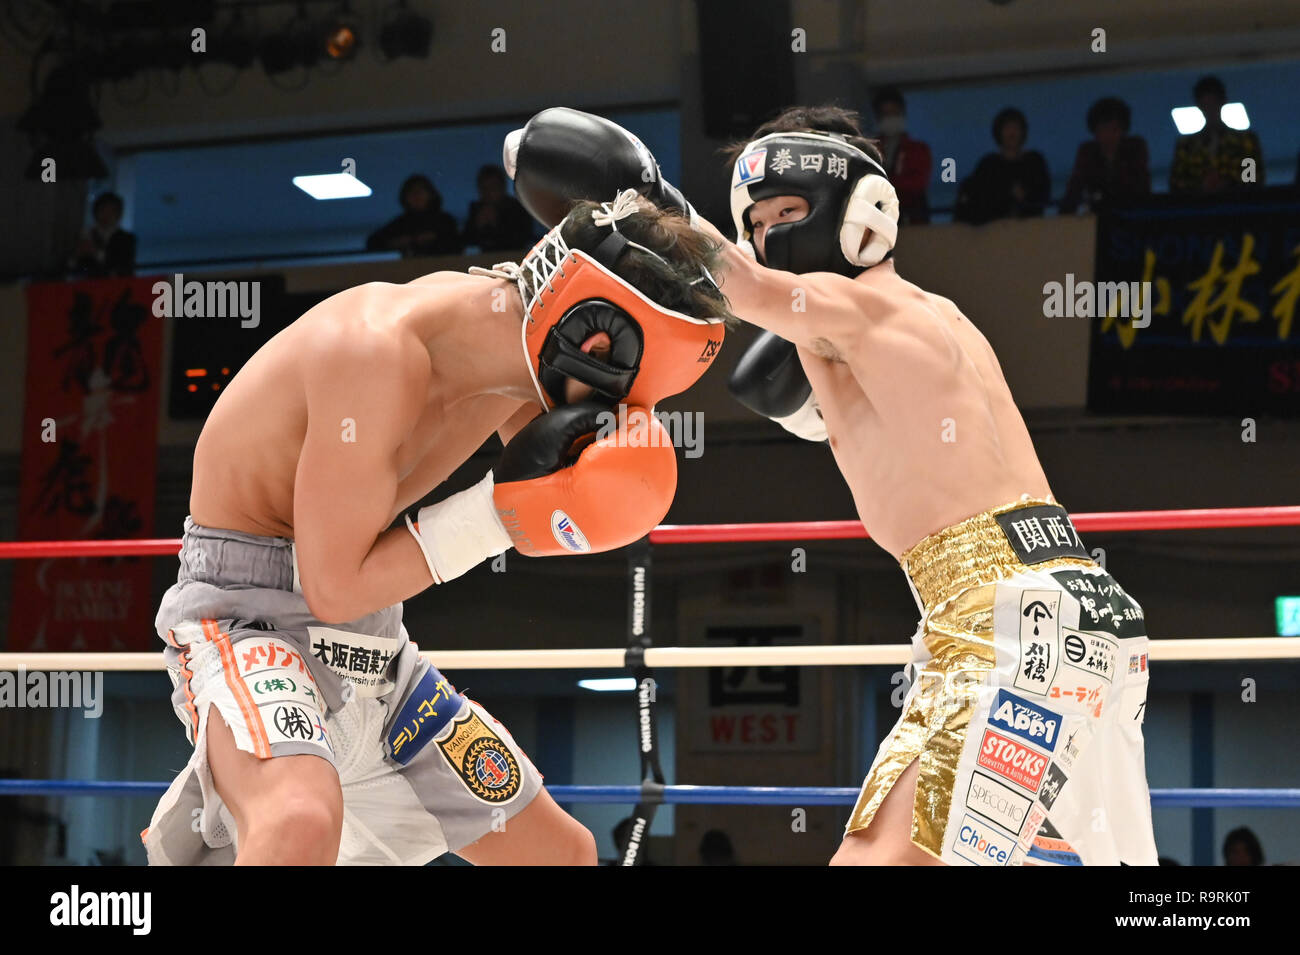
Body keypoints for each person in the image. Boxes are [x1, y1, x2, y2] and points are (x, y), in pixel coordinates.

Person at [507, 105, 1158, 867]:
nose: (768, 235)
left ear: (859, 214)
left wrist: (639, 198)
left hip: (1009, 624)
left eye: (788, 212)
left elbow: (744, 285)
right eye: (753, 220)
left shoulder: (862, 308)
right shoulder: (930, 318)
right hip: (1046, 608)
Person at [142, 191, 733, 865]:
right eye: (633, 397)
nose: (628, 421)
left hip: (375, 646)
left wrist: (589, 491)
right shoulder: (374, 354)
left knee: (560, 854)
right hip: (253, 618)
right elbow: (333, 586)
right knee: (299, 819)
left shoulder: (519, 341)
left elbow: (535, 496)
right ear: (597, 341)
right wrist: (496, 515)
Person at [1170, 76, 1264, 197]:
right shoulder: (1186, 146)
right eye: (1206, 105)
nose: (1210, 110)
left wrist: (1229, 185)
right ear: (1199, 106)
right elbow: (1176, 184)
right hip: (1199, 211)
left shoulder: (1246, 142)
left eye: (1213, 104)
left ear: (1222, 102)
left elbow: (1251, 179)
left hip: (1237, 207)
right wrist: (1200, 186)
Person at [956, 107, 1050, 224]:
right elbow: (975, 196)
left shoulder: (1034, 162)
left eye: (1016, 128)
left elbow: (1042, 196)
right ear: (999, 132)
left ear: (1023, 131)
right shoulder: (989, 165)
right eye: (1007, 128)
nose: (1012, 133)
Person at [1059, 97, 1151, 214]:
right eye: (1103, 130)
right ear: (1095, 132)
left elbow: (1142, 187)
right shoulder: (1088, 153)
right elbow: (1074, 188)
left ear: (1123, 131)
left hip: (1132, 214)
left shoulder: (1135, 149)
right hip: (1099, 217)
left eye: (1114, 130)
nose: (1109, 136)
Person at [871, 87, 932, 224]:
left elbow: (918, 183)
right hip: (879, 221)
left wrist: (883, 184)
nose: (890, 118)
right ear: (878, 117)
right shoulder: (870, 149)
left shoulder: (918, 150)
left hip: (912, 219)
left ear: (902, 114)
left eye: (894, 113)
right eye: (885, 114)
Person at [366, 173, 463, 256]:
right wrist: (402, 242)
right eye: (412, 192)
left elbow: (458, 244)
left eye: (420, 191)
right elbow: (373, 242)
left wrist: (434, 239)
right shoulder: (401, 224)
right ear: (405, 197)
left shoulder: (444, 221)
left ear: (430, 194)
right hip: (410, 270)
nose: (416, 195)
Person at [463, 163, 536, 251]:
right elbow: (465, 242)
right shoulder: (476, 209)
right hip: (482, 261)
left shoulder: (517, 209)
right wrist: (478, 225)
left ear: (502, 187)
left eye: (493, 187)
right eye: (484, 188)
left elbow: (522, 239)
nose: (488, 193)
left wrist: (496, 223)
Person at [69, 191, 136, 277]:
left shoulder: (126, 239)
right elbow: (71, 266)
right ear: (96, 212)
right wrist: (76, 255)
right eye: (103, 210)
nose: (106, 215)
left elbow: (123, 267)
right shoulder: (86, 235)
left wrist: (96, 253)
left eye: (111, 211)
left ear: (118, 214)